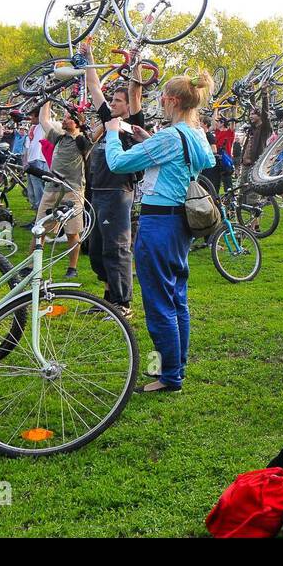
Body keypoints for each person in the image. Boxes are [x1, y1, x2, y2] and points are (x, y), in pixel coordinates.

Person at [104, 73, 215, 393]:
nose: (161, 102)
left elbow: (118, 163)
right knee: (176, 298)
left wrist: (113, 133)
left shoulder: (168, 137)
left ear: (174, 101)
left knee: (159, 303)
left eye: (163, 97)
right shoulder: (194, 134)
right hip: (180, 224)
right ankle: (176, 369)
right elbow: (195, 159)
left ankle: (169, 377)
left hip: (159, 223)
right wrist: (146, 140)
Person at [80, 40, 144, 320]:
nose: (113, 103)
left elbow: (135, 90)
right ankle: (108, 297)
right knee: (96, 249)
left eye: (118, 101)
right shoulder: (109, 122)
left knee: (116, 249)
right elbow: (94, 88)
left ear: (128, 106)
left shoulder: (134, 124)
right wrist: (89, 56)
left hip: (119, 193)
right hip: (98, 192)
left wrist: (136, 61)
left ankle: (123, 304)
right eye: (113, 101)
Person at [28, 100, 91, 279]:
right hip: (52, 188)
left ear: (78, 121)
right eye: (63, 118)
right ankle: (30, 265)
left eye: (68, 119)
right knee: (39, 228)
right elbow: (44, 120)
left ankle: (72, 268)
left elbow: (95, 133)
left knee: (73, 232)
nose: (63, 121)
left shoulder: (82, 142)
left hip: (73, 190)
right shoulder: (59, 137)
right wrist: (47, 98)